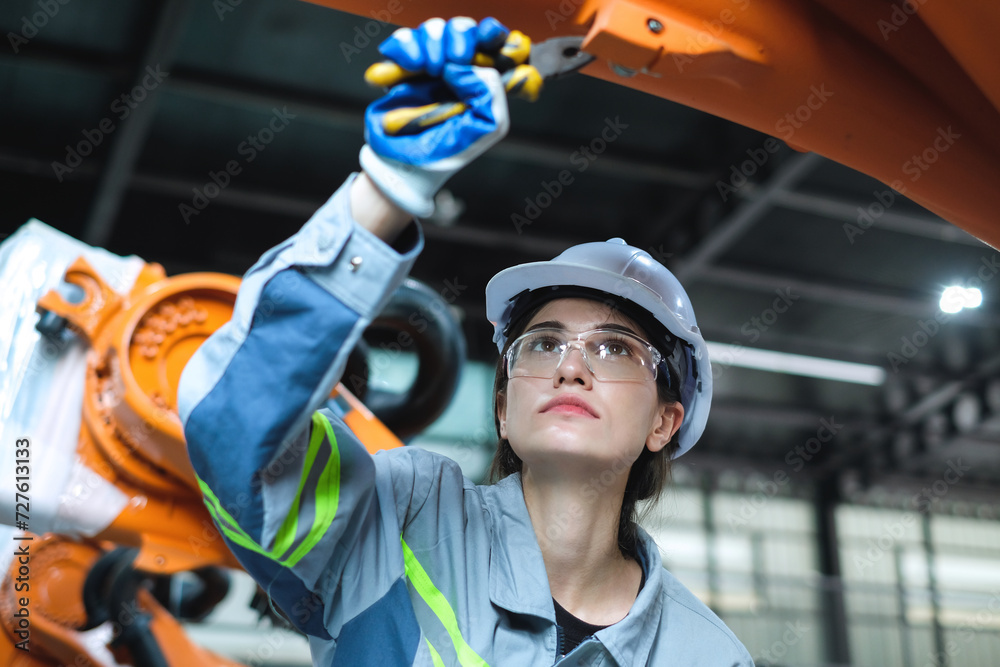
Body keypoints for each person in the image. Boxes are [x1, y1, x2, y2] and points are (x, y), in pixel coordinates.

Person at [178, 16, 754, 666]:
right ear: (504, 408)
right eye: (542, 343)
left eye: (615, 348)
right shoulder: (404, 516)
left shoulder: (708, 655)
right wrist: (388, 189)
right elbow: (233, 429)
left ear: (664, 421)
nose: (571, 367)